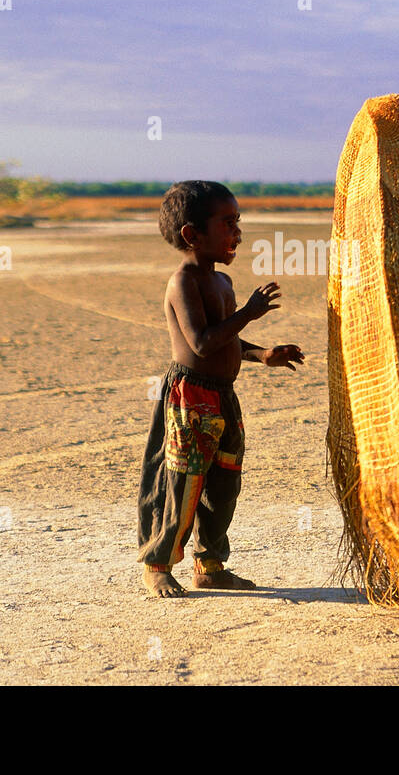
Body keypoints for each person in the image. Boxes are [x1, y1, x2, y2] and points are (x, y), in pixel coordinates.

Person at [137, 180, 305, 597]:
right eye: (227, 223)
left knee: (224, 483)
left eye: (238, 222)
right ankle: (158, 564)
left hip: (224, 396)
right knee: (183, 481)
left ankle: (209, 564)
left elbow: (225, 340)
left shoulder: (224, 283)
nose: (237, 233)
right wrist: (249, 313)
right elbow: (201, 342)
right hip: (190, 396)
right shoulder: (183, 283)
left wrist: (263, 354)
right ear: (192, 235)